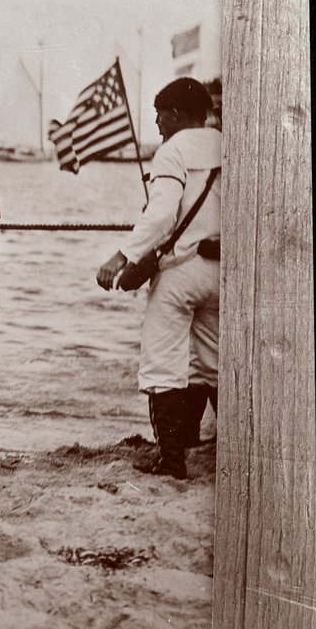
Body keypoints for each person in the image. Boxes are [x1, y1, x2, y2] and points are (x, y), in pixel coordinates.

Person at [96, 77, 221, 479]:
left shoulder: (172, 151)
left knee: (162, 364)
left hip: (182, 272)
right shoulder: (228, 143)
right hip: (224, 272)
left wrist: (123, 255)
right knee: (212, 364)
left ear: (176, 114)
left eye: (159, 115)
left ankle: (171, 462)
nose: (156, 123)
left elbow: (163, 212)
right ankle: (238, 454)